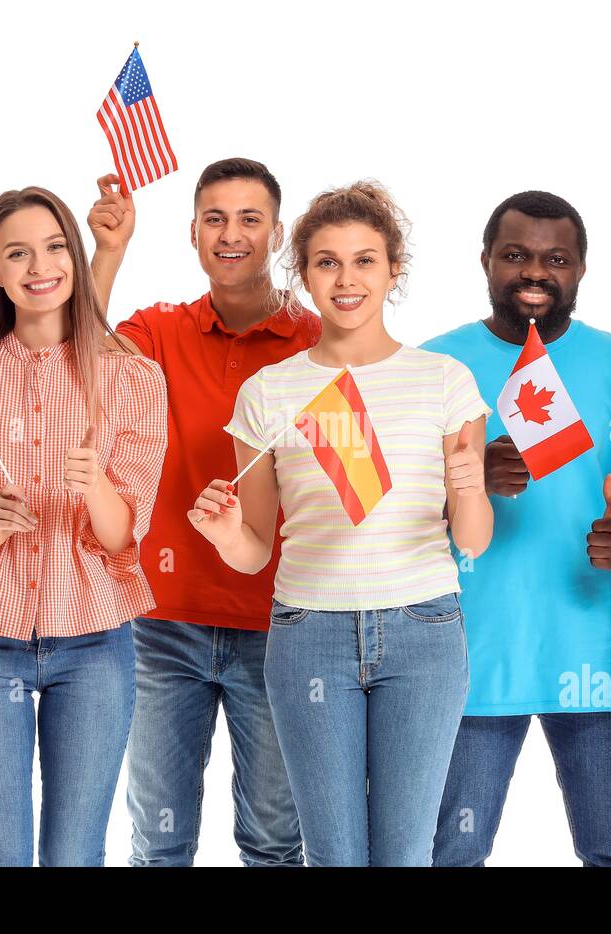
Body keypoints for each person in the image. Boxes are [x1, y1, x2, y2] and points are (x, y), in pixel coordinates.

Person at [191, 181, 494, 866]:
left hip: (423, 631)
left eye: (364, 260)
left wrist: (470, 490)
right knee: (332, 853)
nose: (346, 278)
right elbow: (255, 550)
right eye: (327, 262)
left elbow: (471, 539)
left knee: (404, 852)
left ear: (393, 270)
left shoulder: (443, 381)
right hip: (309, 635)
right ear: (303, 274)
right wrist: (224, 531)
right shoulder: (269, 392)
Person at [0, 186, 167, 866]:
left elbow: (123, 535)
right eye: (18, 252)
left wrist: (96, 483)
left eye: (52, 248)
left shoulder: (134, 379)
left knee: (76, 856)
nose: (39, 265)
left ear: (74, 258)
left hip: (96, 644)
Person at [87, 158, 315, 866]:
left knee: (274, 839)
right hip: (163, 626)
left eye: (250, 219)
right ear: (192, 232)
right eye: (215, 218)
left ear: (277, 232)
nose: (232, 233)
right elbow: (81, 356)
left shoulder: (318, 342)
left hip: (281, 625)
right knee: (159, 841)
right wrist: (109, 253)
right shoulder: (159, 331)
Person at [423, 191, 611, 866]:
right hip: (468, 655)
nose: (534, 272)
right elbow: (387, 514)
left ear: (580, 269)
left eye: (555, 258)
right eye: (516, 255)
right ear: (486, 261)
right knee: (449, 854)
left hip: (597, 650)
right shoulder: (433, 367)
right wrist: (465, 480)